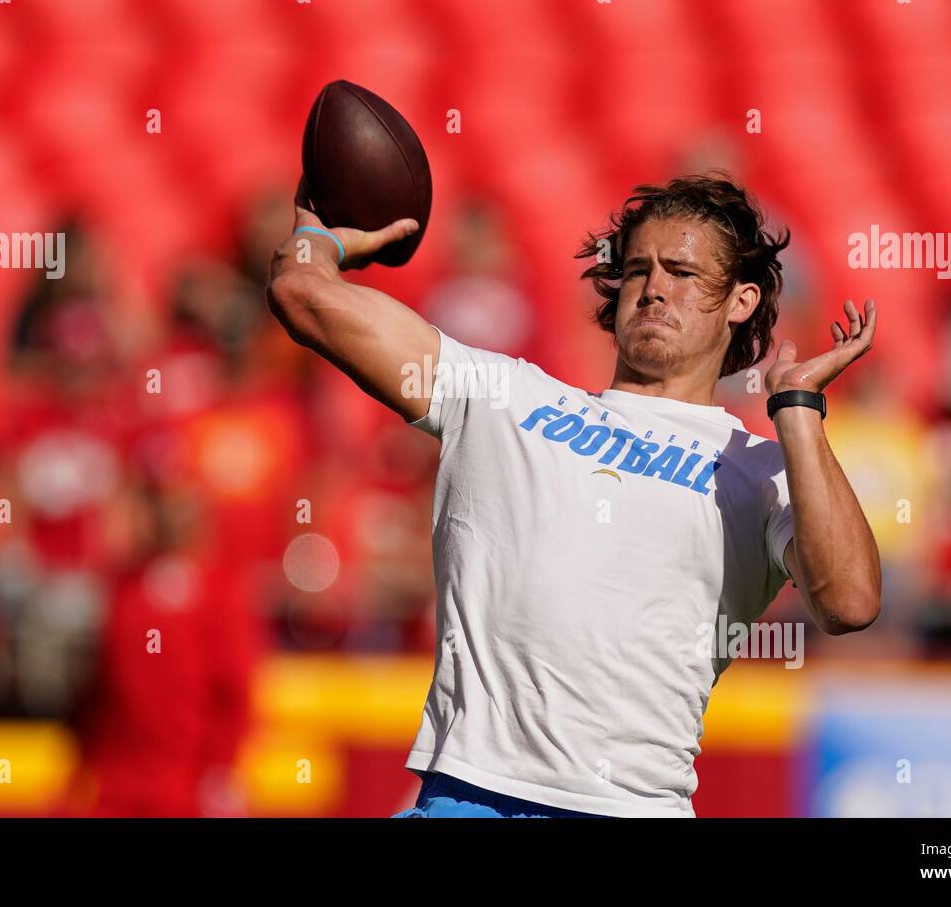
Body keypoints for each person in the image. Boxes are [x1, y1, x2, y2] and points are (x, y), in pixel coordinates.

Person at [267, 173, 882, 818]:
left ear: (740, 300)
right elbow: (302, 295)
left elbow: (851, 602)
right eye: (638, 269)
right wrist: (316, 236)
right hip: (472, 794)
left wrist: (797, 411)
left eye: (683, 272)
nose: (653, 289)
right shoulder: (503, 396)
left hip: (632, 806)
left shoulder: (758, 469)